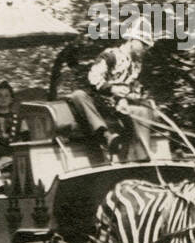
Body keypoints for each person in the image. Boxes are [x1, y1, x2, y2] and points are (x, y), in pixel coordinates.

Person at [65, 16, 156, 159]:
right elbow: (94, 78)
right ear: (132, 40)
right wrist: (112, 90)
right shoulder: (111, 55)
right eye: (143, 44)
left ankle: (142, 155)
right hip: (100, 101)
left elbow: (135, 86)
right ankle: (106, 136)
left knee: (146, 108)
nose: (145, 49)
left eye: (147, 46)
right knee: (78, 95)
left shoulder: (137, 64)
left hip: (121, 105)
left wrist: (131, 96)